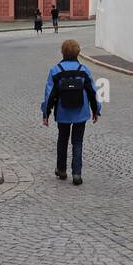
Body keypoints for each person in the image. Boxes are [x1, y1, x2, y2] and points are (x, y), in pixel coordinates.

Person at [40, 38, 101, 185]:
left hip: (63, 112)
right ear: (78, 52)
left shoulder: (55, 71)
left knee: (62, 140)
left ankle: (61, 170)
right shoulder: (84, 70)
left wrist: (46, 114)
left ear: (63, 52)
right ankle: (77, 174)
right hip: (81, 112)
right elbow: (93, 91)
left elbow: (49, 94)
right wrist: (96, 110)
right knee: (78, 142)